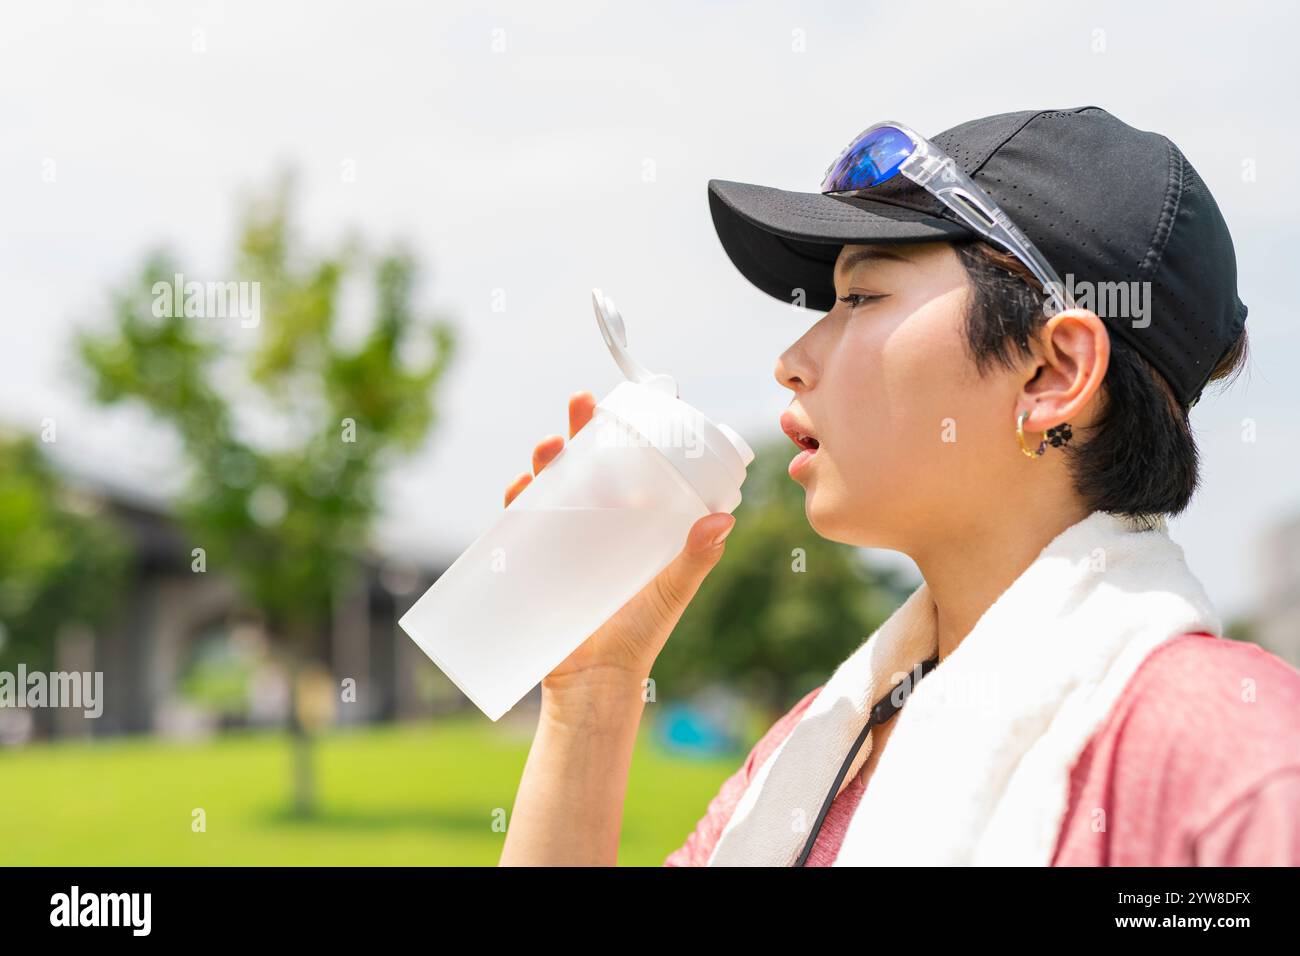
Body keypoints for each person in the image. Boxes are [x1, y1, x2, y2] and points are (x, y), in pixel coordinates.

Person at [497, 107, 1300, 867]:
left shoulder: (1238, 762)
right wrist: (594, 698)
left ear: (1051, 374)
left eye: (861, 297)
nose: (792, 360)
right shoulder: (810, 758)